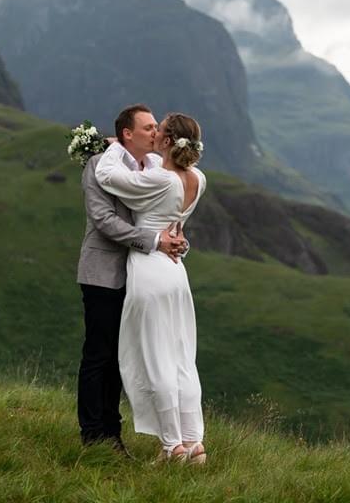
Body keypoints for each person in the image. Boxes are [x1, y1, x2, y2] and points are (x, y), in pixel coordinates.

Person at [95, 112, 207, 464]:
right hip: (177, 273)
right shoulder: (197, 179)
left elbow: (107, 176)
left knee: (156, 357)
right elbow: (164, 164)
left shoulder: (160, 178)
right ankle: (194, 443)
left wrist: (113, 149)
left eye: (160, 131)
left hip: (150, 269)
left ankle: (171, 446)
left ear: (169, 141)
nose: (154, 133)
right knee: (181, 358)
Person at [75, 104, 187, 450]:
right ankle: (94, 435)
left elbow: (161, 214)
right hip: (103, 273)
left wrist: (176, 240)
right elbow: (104, 220)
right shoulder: (98, 165)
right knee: (99, 355)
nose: (157, 133)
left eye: (157, 127)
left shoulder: (153, 166)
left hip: (141, 277)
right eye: (149, 127)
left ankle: (113, 433)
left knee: (123, 357)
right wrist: (155, 241)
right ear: (127, 134)